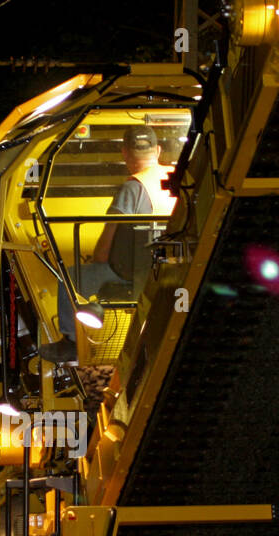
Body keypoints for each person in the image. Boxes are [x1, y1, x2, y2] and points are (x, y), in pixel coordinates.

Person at [40, 126, 177, 364]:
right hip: (172, 267)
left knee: (69, 278)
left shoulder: (132, 187)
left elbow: (111, 230)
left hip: (130, 273)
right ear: (158, 150)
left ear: (125, 153)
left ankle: (71, 342)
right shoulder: (176, 178)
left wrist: (99, 259)